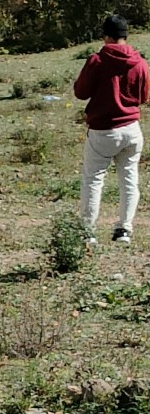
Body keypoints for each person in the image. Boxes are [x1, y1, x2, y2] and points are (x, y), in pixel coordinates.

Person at [74, 13, 149, 243]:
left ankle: (88, 232)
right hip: (131, 128)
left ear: (106, 36)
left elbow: (80, 92)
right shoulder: (140, 62)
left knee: (94, 180)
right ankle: (124, 230)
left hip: (103, 130)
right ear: (126, 35)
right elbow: (144, 97)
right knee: (129, 180)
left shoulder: (97, 60)